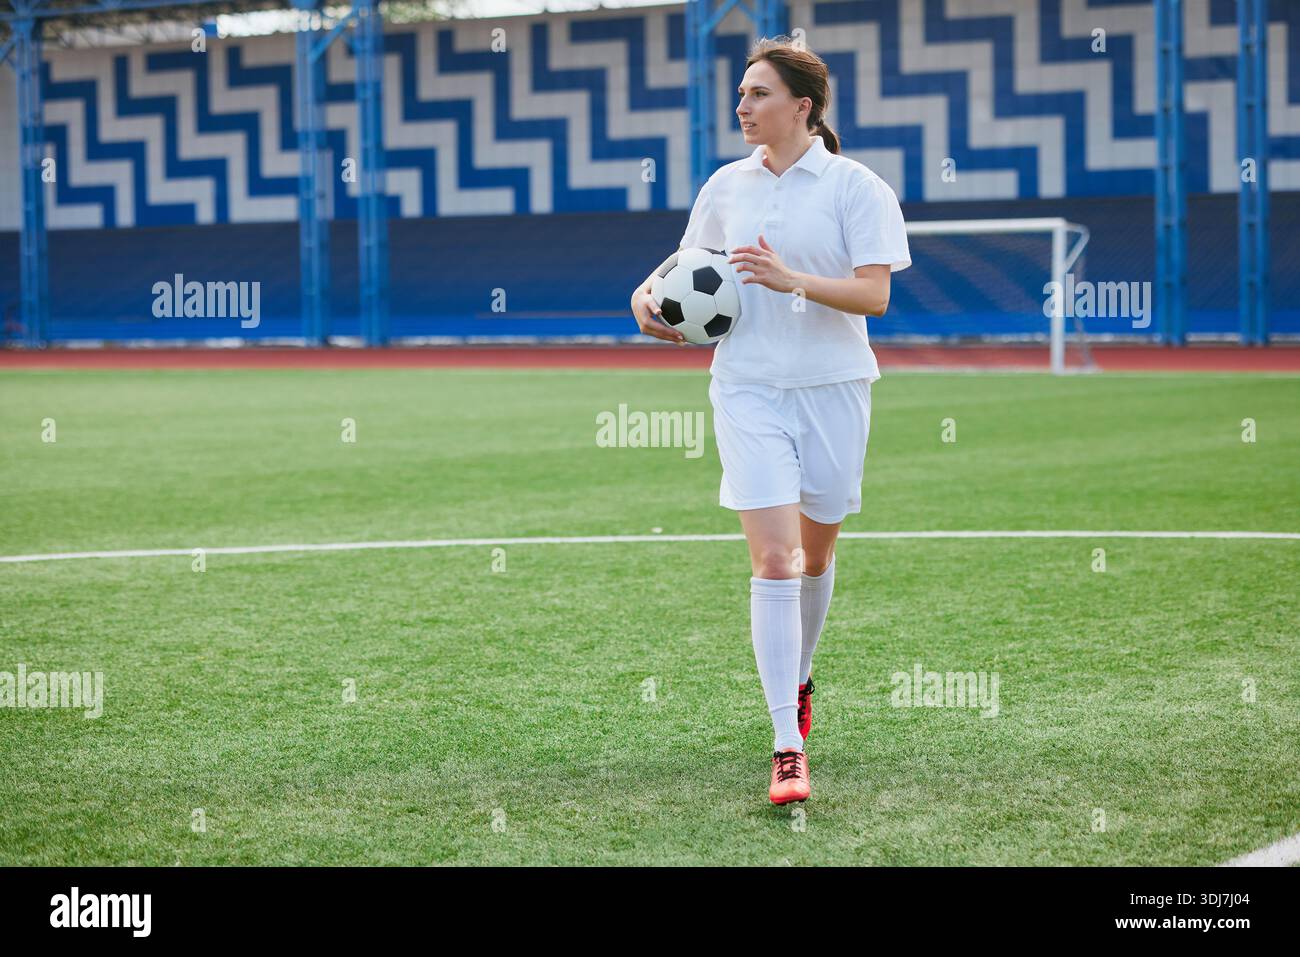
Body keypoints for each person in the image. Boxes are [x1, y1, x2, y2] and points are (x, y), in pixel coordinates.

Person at [629, 36, 910, 805]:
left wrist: (791, 280)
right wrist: (643, 303)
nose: (743, 106)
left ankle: (801, 674)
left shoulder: (858, 188)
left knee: (815, 558)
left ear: (803, 108)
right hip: (746, 388)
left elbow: (875, 296)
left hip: (834, 388)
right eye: (742, 93)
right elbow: (675, 273)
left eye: (758, 94)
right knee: (776, 561)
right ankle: (787, 743)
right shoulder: (726, 185)